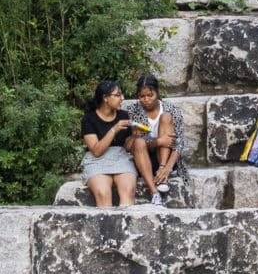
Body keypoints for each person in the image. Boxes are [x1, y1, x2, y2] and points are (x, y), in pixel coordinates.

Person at [78, 82, 141, 208]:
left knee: (128, 191)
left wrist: (134, 135)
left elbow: (127, 148)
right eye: (118, 95)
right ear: (105, 98)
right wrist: (114, 129)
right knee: (103, 193)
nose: (122, 98)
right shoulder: (89, 119)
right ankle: (107, 227)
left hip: (120, 158)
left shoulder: (123, 115)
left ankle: (126, 226)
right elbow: (96, 151)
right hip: (97, 161)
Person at [127, 72, 182, 205]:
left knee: (166, 117)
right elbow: (130, 147)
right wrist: (158, 141)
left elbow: (179, 143)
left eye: (150, 95)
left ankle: (162, 175)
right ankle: (154, 192)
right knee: (139, 141)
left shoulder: (171, 108)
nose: (146, 99)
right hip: (144, 159)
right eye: (142, 96)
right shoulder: (133, 111)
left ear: (157, 93)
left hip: (166, 159)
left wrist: (167, 168)